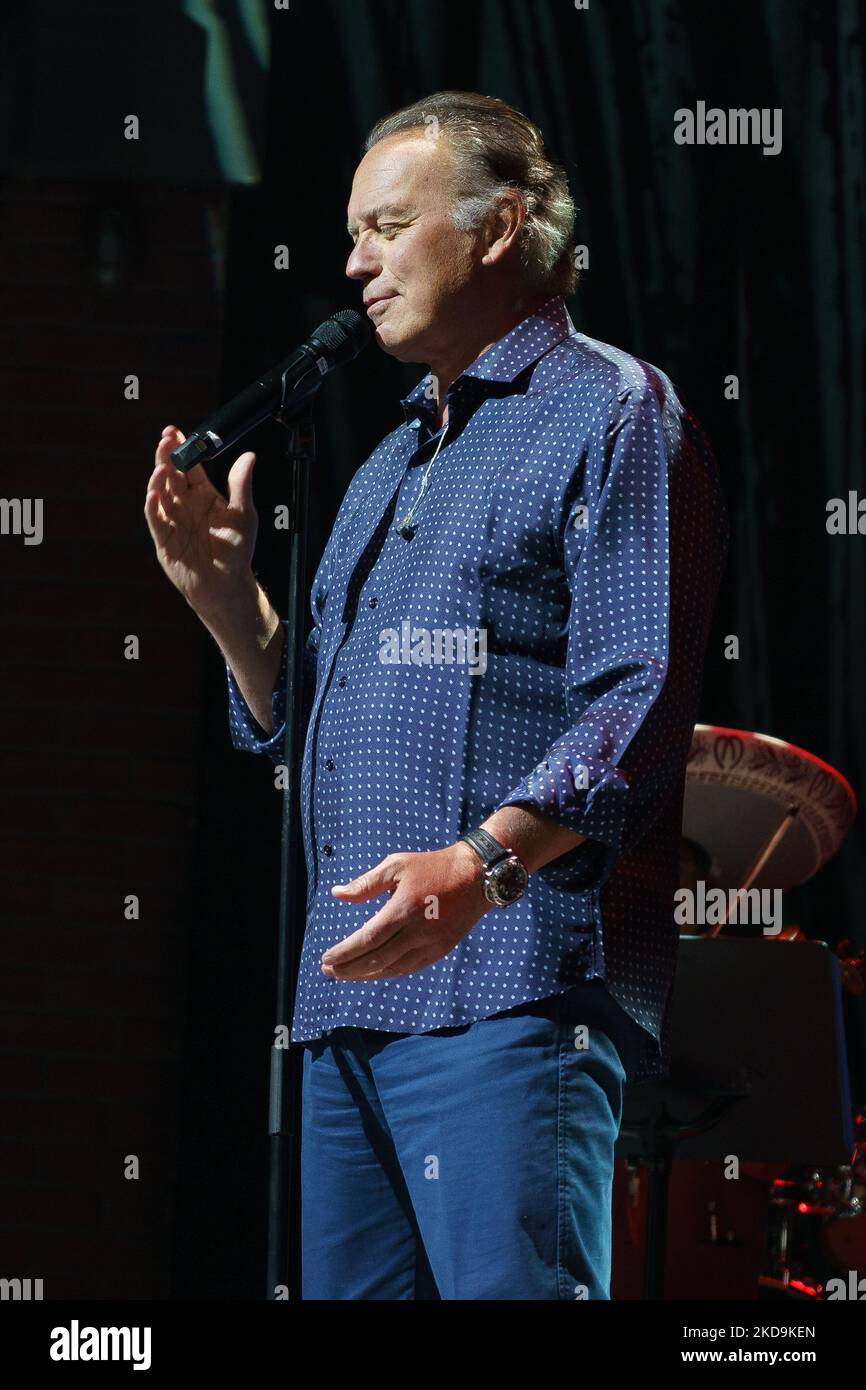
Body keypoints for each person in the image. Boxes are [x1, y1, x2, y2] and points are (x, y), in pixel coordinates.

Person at [145, 90, 728, 1300]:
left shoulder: (611, 409)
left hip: (512, 997)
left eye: (386, 226)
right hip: (343, 1004)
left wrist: (482, 865)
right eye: (352, 232)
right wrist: (222, 594)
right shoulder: (391, 454)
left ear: (500, 225)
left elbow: (639, 695)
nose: (352, 262)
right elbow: (301, 723)